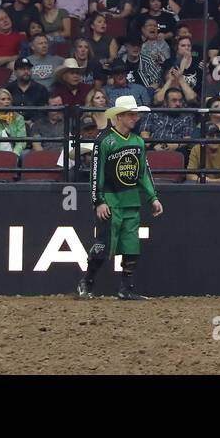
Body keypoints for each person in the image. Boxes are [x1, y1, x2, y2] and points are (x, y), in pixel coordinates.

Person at [78, 95, 163, 301]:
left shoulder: (138, 141)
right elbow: (96, 173)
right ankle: (86, 282)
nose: (135, 118)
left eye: (135, 114)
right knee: (104, 243)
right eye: (131, 114)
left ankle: (126, 288)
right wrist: (98, 200)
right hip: (110, 199)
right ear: (120, 117)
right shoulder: (105, 140)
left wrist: (153, 197)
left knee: (131, 243)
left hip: (131, 199)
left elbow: (143, 172)